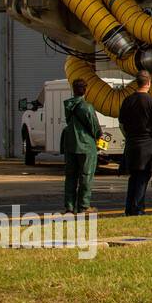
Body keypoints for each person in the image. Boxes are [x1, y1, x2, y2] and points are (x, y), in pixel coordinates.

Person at [118, 71, 152, 216]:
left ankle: (129, 208)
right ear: (149, 83)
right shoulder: (151, 101)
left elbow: (122, 124)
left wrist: (129, 136)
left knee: (134, 177)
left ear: (137, 83)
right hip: (147, 145)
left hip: (131, 144)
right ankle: (138, 208)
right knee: (143, 178)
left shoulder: (127, 100)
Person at [61, 78, 102, 212]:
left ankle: (69, 206)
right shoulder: (86, 106)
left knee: (70, 177)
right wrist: (99, 136)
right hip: (85, 145)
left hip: (70, 143)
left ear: (73, 90)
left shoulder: (68, 105)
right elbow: (94, 127)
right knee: (86, 175)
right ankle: (84, 205)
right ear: (86, 90)